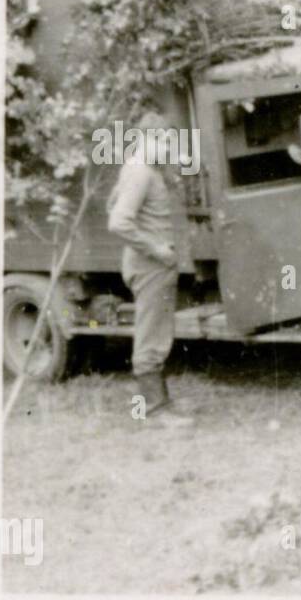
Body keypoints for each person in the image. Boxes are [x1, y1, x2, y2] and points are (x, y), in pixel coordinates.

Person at [107, 113, 192, 426]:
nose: (169, 149)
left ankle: (160, 403)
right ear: (147, 139)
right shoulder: (141, 172)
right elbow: (118, 221)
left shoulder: (143, 169)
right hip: (151, 265)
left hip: (153, 264)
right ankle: (154, 411)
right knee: (151, 336)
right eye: (165, 142)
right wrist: (156, 248)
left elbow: (116, 206)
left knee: (157, 332)